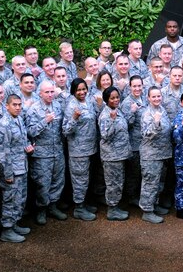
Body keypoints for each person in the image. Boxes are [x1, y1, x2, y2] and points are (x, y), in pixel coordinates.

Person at [0, 94, 34, 243]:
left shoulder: (18, 119)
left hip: (21, 166)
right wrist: (7, 173)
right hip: (12, 170)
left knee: (20, 199)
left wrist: (28, 147)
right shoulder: (4, 125)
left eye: (19, 105)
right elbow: (2, 152)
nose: (18, 107)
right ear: (7, 106)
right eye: (14, 105)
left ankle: (14, 223)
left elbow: (21, 141)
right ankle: (7, 230)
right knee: (10, 199)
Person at [27, 80, 66, 225]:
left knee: (58, 180)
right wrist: (45, 121)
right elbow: (30, 132)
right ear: (40, 93)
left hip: (57, 151)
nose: (50, 95)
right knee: (43, 183)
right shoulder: (34, 109)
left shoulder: (57, 105)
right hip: (42, 154)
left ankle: (53, 206)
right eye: (47, 92)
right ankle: (41, 209)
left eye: (51, 92)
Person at [62, 78, 99, 222]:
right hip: (78, 151)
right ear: (73, 91)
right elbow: (65, 130)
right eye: (79, 90)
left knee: (86, 179)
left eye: (84, 89)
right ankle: (79, 208)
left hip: (90, 148)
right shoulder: (71, 105)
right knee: (79, 180)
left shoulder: (88, 101)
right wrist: (74, 118)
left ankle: (84, 203)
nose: (82, 92)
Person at [138, 87, 173, 223]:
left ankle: (154, 204)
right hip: (151, 155)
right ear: (148, 98)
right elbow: (146, 134)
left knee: (159, 183)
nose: (157, 99)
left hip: (163, 153)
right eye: (154, 97)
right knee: (150, 183)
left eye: (159, 96)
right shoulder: (147, 114)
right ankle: (147, 211)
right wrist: (156, 123)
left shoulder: (161, 110)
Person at [99, 86, 131, 221]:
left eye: (117, 97)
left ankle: (115, 206)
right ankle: (112, 210)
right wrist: (111, 121)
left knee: (118, 182)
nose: (116, 100)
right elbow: (105, 135)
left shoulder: (117, 111)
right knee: (113, 184)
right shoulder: (106, 115)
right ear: (106, 100)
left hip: (120, 154)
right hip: (111, 156)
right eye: (112, 98)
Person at [120, 76, 146, 206]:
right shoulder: (126, 103)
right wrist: (132, 112)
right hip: (134, 143)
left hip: (146, 143)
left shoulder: (146, 98)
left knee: (143, 172)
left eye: (139, 86)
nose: (137, 88)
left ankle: (140, 195)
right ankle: (131, 197)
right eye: (134, 86)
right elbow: (125, 124)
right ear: (130, 87)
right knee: (134, 172)